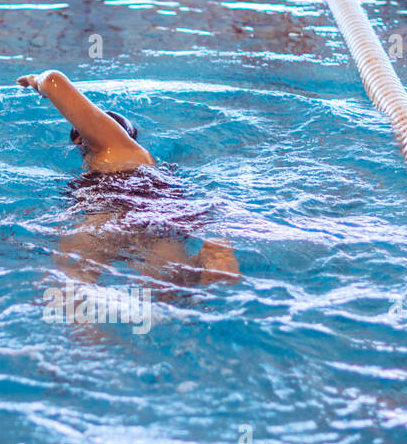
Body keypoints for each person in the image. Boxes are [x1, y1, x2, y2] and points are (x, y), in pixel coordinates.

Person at [17, 70, 240, 284]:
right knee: (172, 286)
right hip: (158, 218)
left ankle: (86, 319)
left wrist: (35, 81)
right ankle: (205, 261)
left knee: (71, 279)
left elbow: (55, 81)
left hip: (111, 217)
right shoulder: (136, 160)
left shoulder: (112, 145)